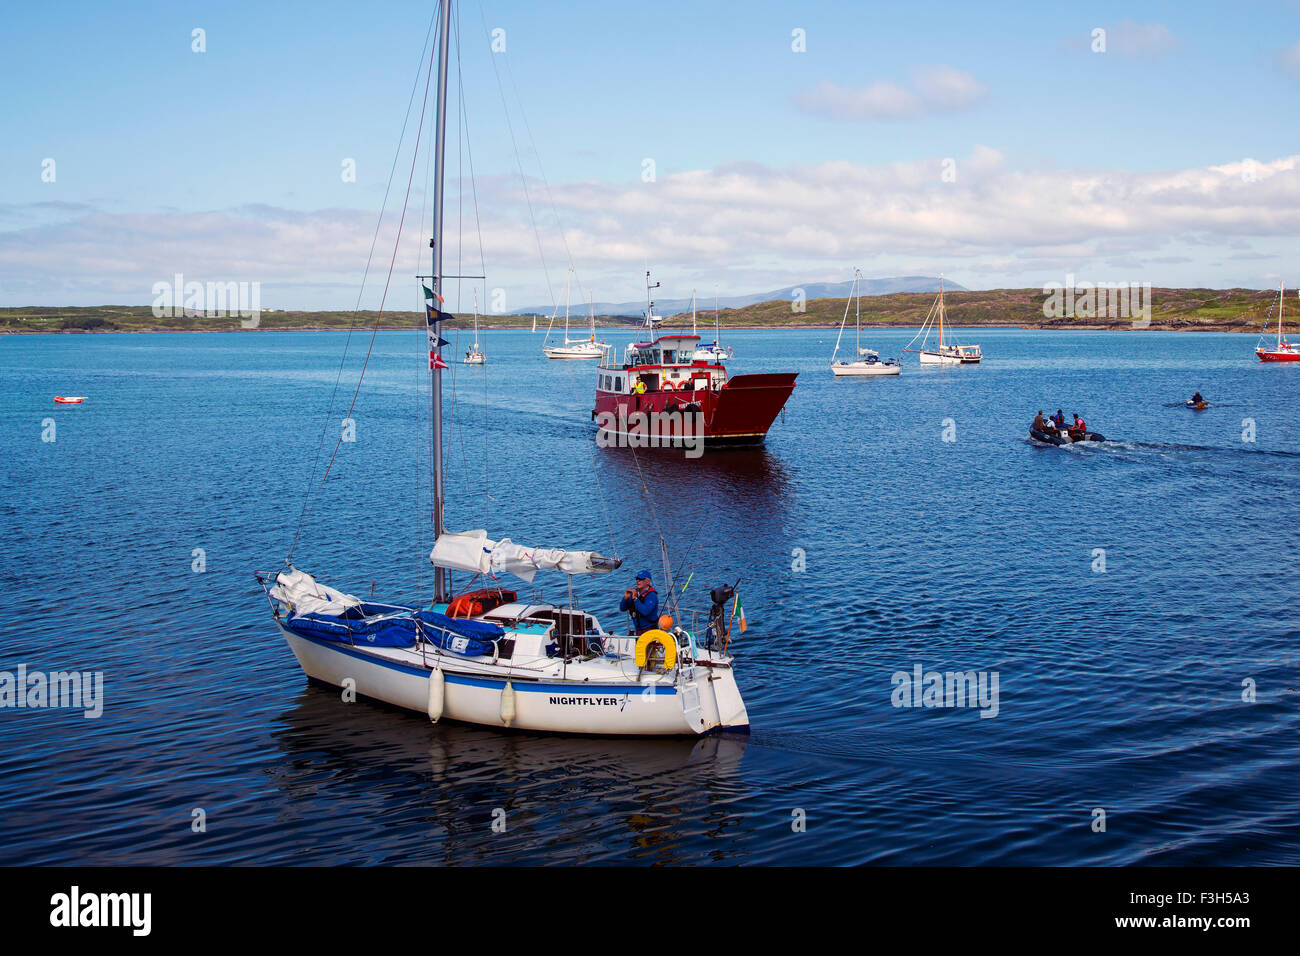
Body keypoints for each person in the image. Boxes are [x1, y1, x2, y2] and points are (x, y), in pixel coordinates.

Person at [620, 570, 659, 634]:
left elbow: (645, 611)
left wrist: (635, 599)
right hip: (638, 630)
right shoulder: (634, 592)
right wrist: (625, 598)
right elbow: (622, 608)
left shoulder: (652, 595)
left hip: (650, 630)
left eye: (641, 579)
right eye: (637, 579)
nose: (638, 581)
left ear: (648, 582)